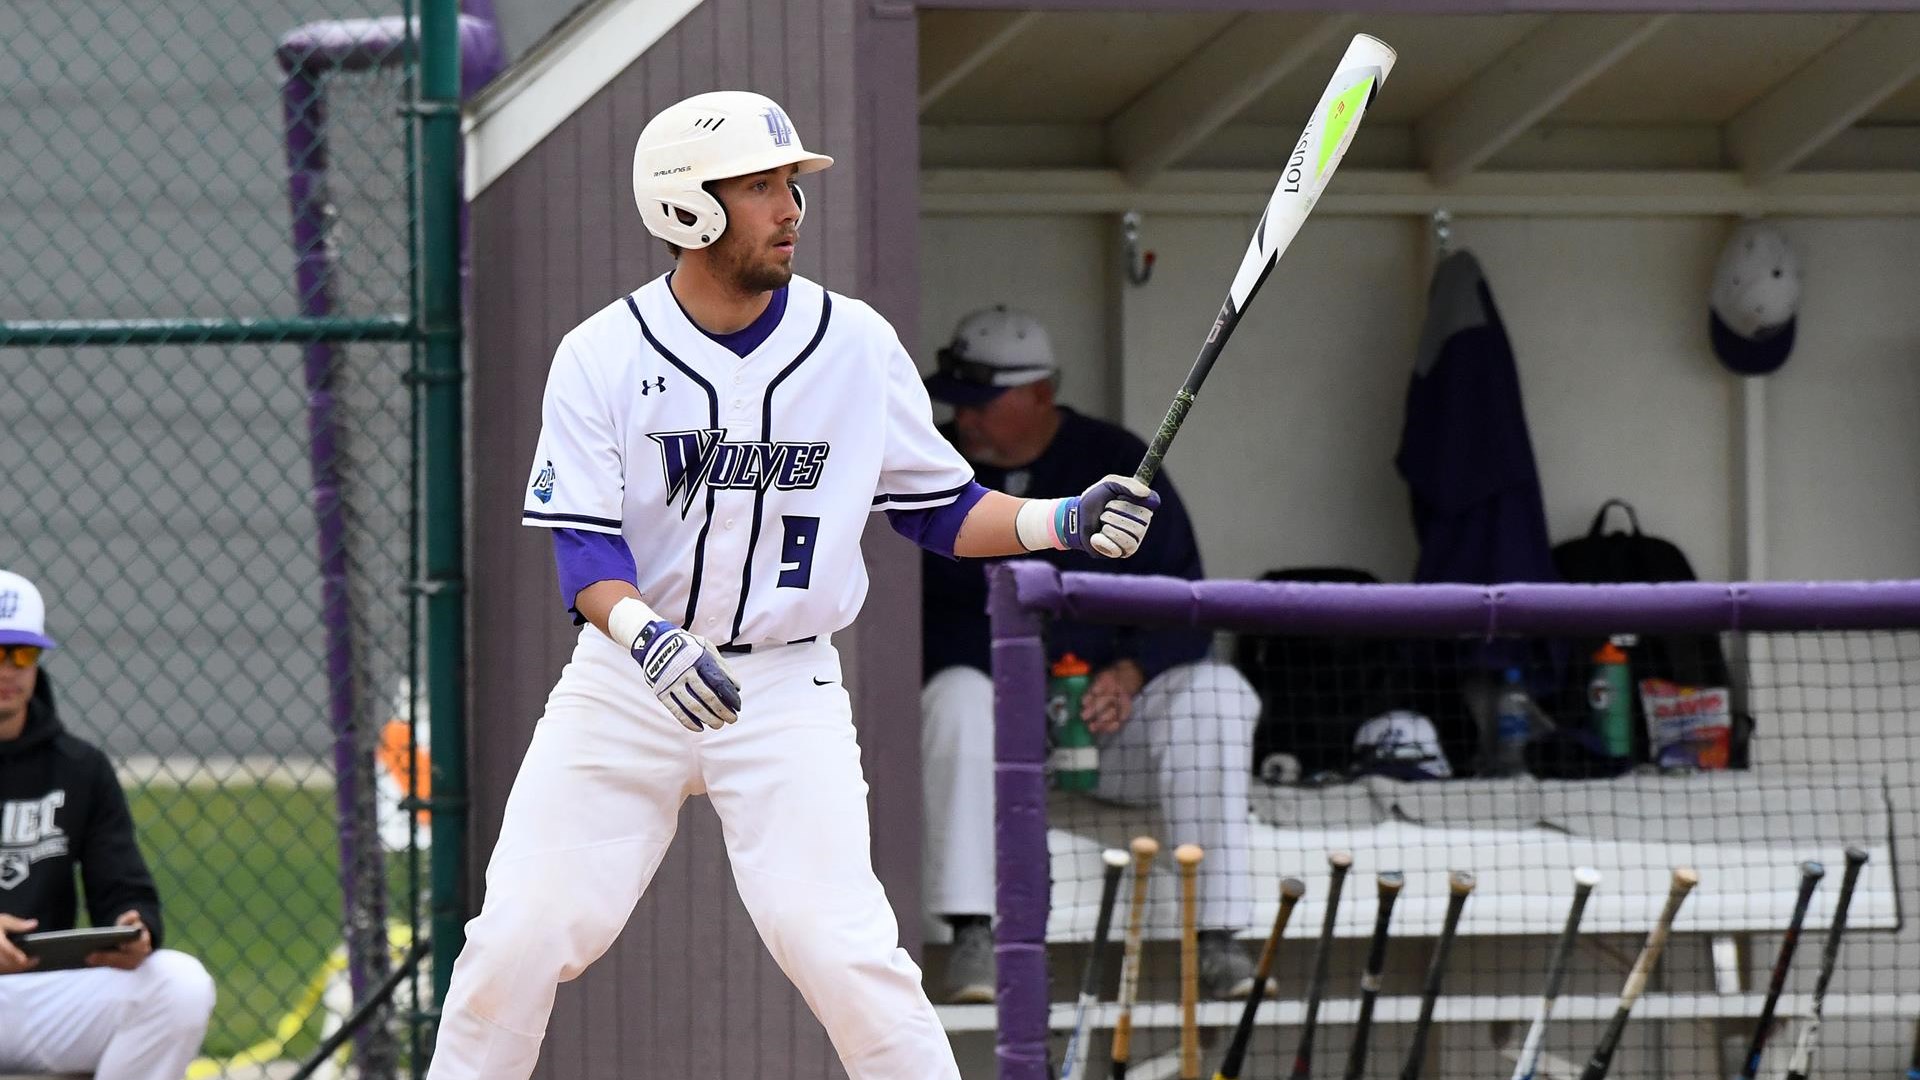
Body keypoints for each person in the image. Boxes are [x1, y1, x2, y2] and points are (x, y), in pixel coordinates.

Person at [426, 92, 1162, 1080]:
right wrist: (648, 636)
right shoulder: (600, 354)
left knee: (844, 949)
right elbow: (585, 554)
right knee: (514, 940)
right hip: (627, 680)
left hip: (783, 686)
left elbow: (938, 508)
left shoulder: (853, 343)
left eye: (791, 185)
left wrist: (1059, 520)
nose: (790, 208)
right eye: (761, 186)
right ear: (687, 206)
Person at [917, 306, 1262, 1003]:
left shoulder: (1115, 462)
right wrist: (1019, 683)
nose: (967, 419)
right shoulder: (930, 464)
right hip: (988, 737)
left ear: (1041, 393)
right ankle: (972, 930)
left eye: (985, 403)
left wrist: (1133, 672)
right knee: (956, 695)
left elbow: (1185, 601)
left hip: (1108, 731)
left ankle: (1220, 937)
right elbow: (908, 617)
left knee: (1218, 694)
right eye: (960, 403)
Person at [0, 569, 216, 1080]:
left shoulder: (79, 767)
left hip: (46, 993)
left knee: (179, 984)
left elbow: (122, 886)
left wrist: (134, 926)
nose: (7, 669)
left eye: (21, 654)